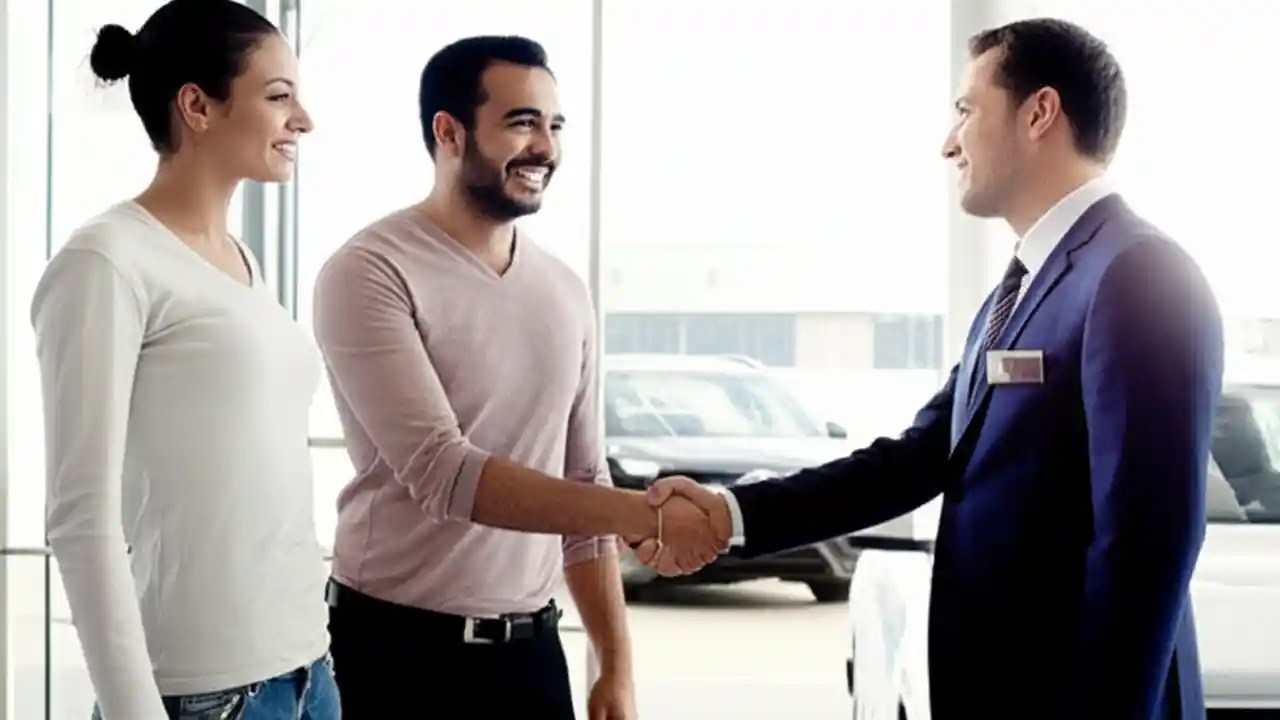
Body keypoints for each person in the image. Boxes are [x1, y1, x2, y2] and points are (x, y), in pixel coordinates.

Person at [639, 18, 1223, 720]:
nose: (950, 143)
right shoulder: (1025, 288)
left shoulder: (1136, 272)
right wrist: (732, 513)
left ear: (1040, 112)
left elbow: (1147, 547)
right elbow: (918, 460)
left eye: (966, 111)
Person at [311, 35, 721, 718]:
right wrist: (643, 515)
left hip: (531, 657)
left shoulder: (564, 291)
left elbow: (582, 481)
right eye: (522, 122)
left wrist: (615, 666)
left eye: (555, 125)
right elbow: (443, 472)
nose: (547, 148)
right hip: (393, 653)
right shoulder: (369, 271)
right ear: (449, 132)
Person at [30, 1, 337, 718]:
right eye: (278, 96)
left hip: (308, 672)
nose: (303, 120)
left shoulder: (243, 262)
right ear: (197, 105)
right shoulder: (105, 260)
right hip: (201, 692)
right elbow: (80, 517)